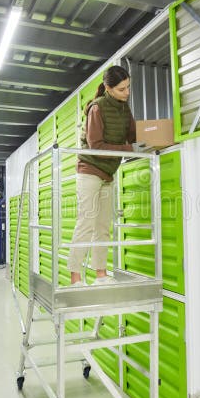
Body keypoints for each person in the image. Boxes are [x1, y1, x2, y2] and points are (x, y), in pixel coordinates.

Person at [68, 65, 139, 286]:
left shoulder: (124, 109)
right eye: (121, 89)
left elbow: (134, 137)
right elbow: (95, 144)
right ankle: (75, 277)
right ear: (108, 88)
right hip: (89, 170)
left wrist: (153, 139)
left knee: (103, 226)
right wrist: (130, 150)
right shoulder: (96, 108)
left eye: (128, 87)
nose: (126, 93)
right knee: (86, 222)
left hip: (108, 172)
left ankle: (100, 275)